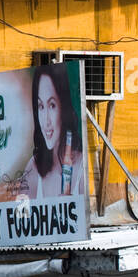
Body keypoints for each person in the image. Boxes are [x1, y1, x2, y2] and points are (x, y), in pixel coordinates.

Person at [23, 64, 84, 201]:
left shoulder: (81, 169)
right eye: (41, 106)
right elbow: (20, 218)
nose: (46, 120)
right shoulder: (32, 169)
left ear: (64, 108)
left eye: (52, 105)